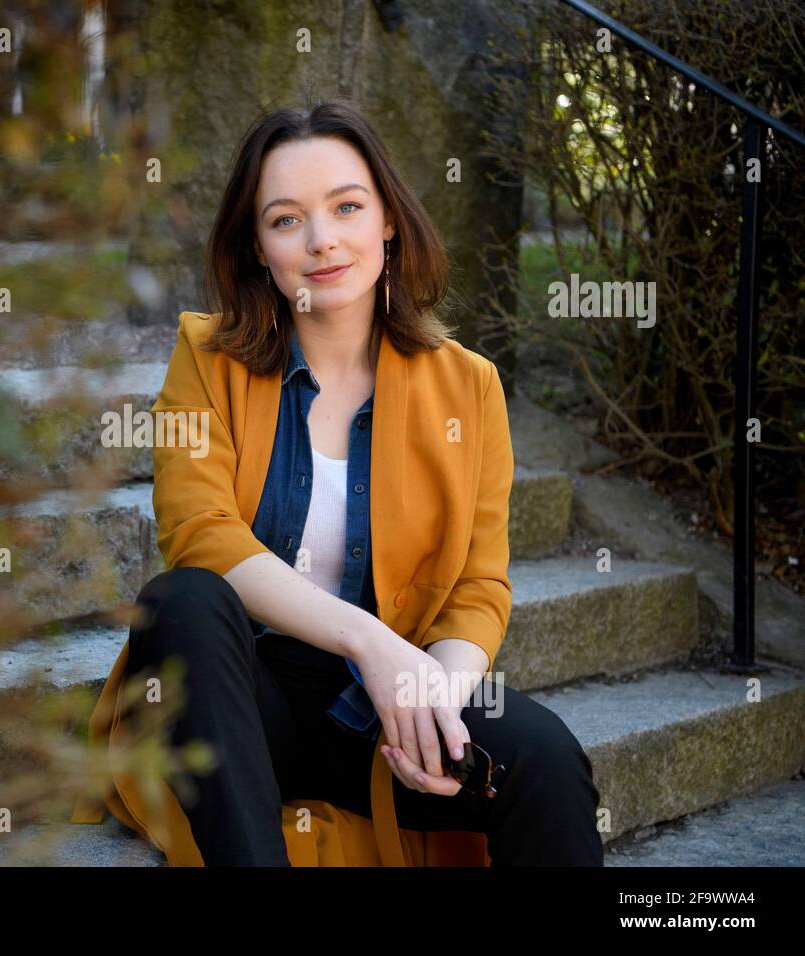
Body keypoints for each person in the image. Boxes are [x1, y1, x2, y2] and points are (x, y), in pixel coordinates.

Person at [72, 99, 603, 867]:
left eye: (347, 207)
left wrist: (434, 697)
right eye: (286, 220)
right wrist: (370, 641)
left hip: (381, 720)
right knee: (180, 599)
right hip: (237, 711)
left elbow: (479, 589)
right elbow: (199, 532)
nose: (323, 241)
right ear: (256, 246)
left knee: (546, 758)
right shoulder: (206, 359)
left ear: (387, 218)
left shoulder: (470, 388)